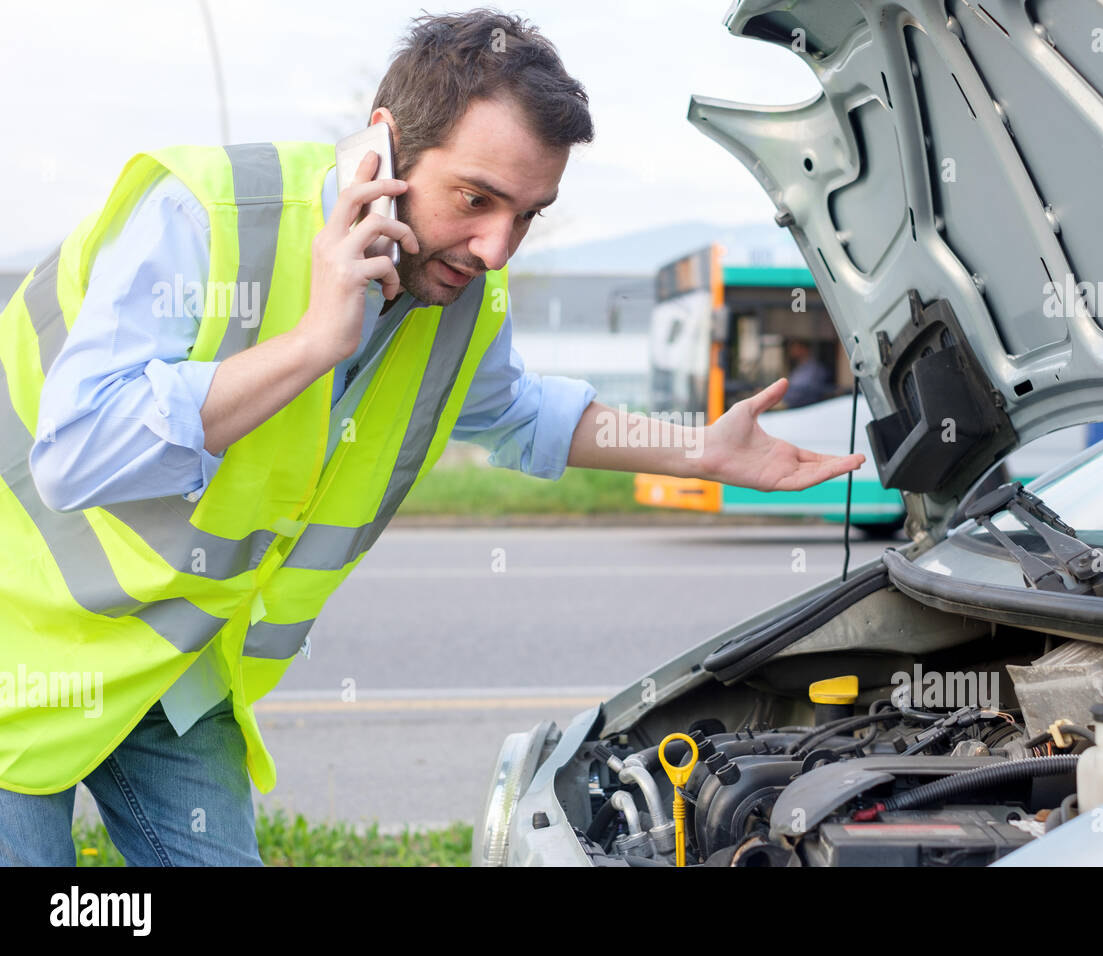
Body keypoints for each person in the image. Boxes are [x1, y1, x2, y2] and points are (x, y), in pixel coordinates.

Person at [0, 8, 864, 866]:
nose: (497, 248)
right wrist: (310, 346)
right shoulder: (204, 214)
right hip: (24, 654)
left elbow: (523, 411)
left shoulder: (454, 299)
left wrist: (696, 450)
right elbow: (79, 452)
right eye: (476, 199)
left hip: (176, 674)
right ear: (383, 146)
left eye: (527, 215)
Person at [782, 339, 835, 408]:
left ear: (804, 349)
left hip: (807, 408)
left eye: (795, 347)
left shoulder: (815, 369)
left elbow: (803, 392)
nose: (791, 350)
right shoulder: (799, 367)